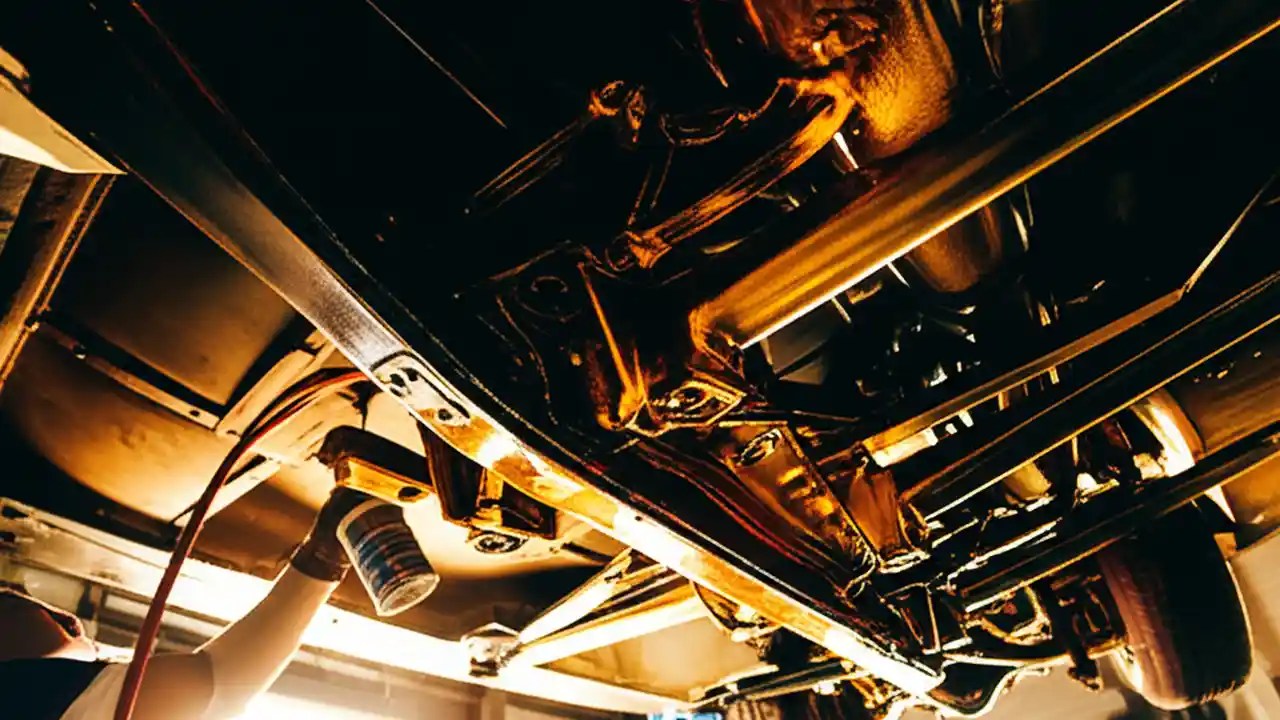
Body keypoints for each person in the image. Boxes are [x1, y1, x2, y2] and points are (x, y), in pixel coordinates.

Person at [0, 488, 364, 720]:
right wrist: (324, 557)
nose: (73, 626)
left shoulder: (34, 694)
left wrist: (324, 560)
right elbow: (219, 680)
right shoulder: (37, 698)